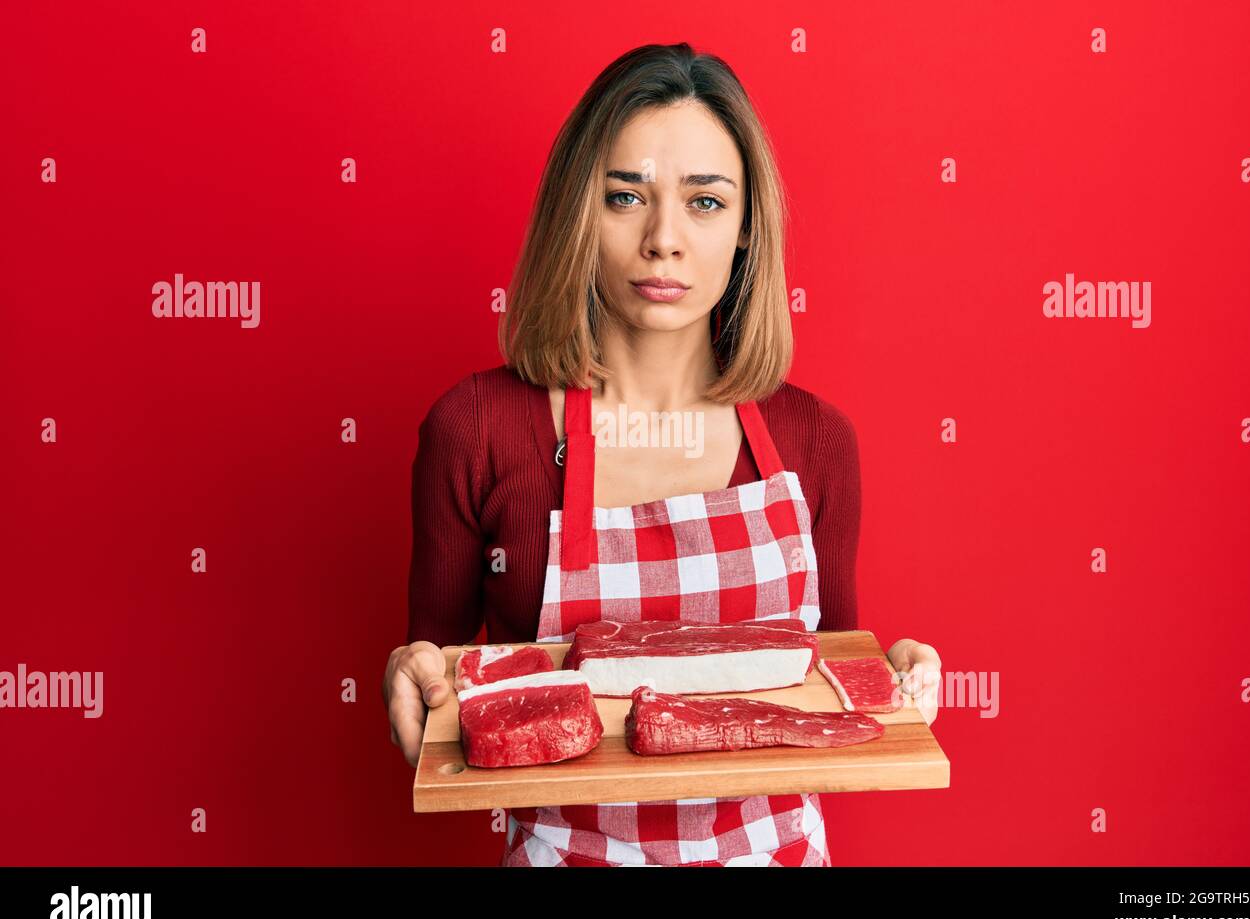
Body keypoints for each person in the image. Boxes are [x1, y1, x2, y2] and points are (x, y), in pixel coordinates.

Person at [383, 41, 941, 866]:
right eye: (625, 196)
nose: (663, 240)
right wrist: (408, 673)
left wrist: (897, 676)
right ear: (579, 211)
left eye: (706, 203)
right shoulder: (477, 429)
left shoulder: (817, 442)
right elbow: (436, 693)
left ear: (749, 226)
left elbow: (833, 694)